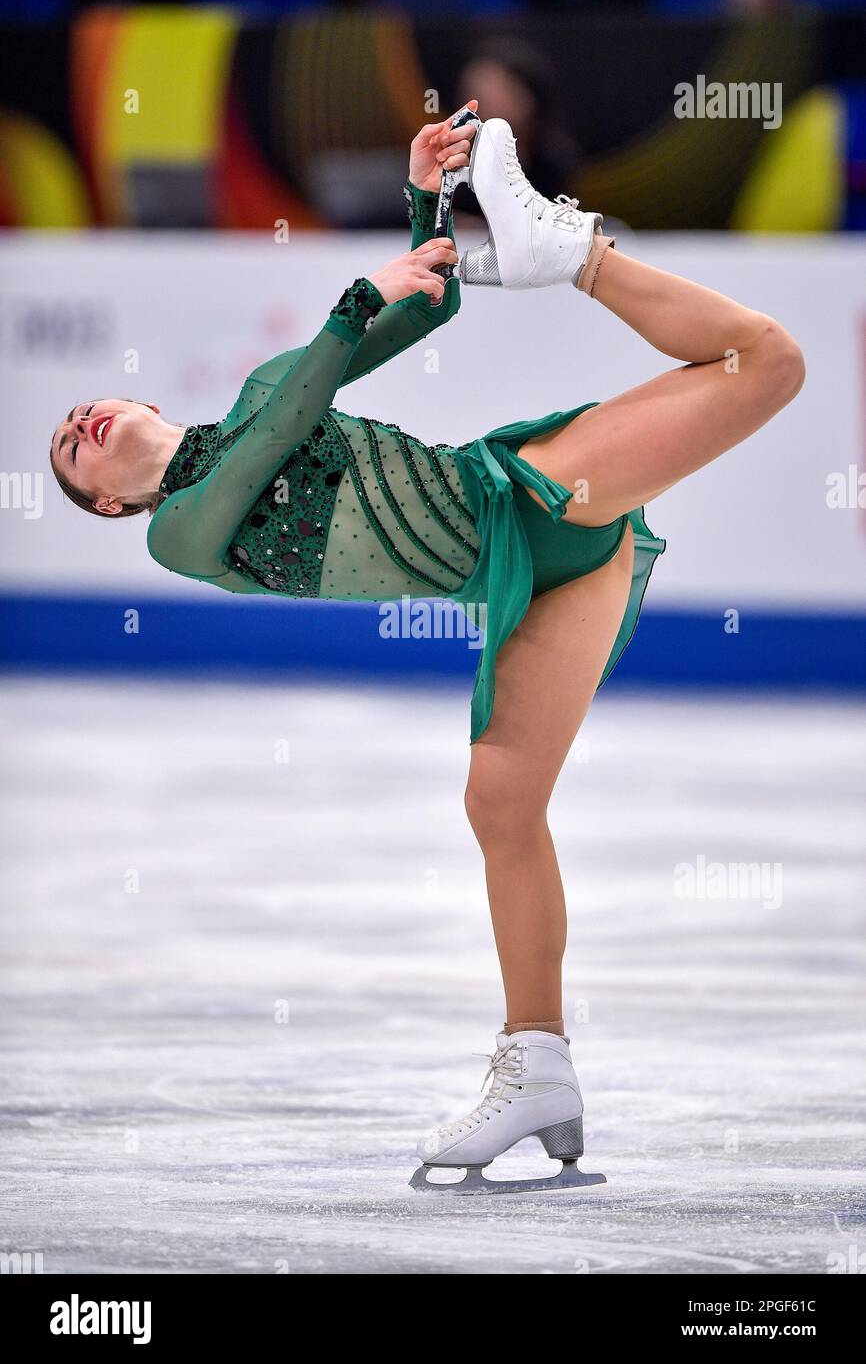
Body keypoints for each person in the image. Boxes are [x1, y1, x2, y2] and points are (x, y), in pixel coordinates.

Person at [49, 104, 804, 1194]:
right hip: (517, 577)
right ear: (110, 508)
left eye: (82, 411)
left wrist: (423, 201)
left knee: (765, 362)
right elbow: (270, 438)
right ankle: (536, 1059)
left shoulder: (270, 383)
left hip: (529, 490)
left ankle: (576, 257)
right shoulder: (178, 533)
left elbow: (427, 301)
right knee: (499, 802)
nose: (80, 428)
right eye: (70, 457)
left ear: (141, 397)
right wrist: (354, 306)